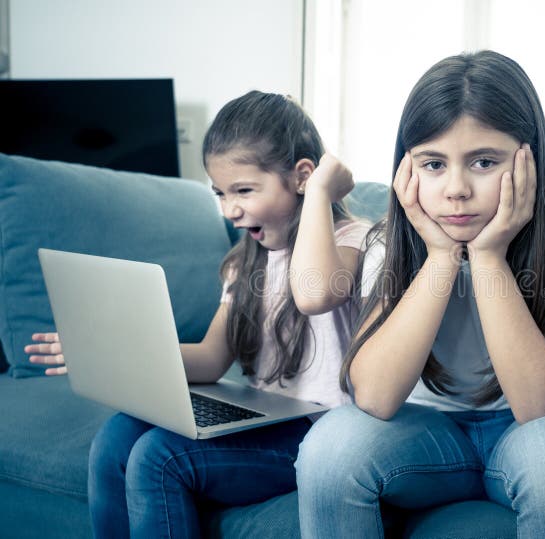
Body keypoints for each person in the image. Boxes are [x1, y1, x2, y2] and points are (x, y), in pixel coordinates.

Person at [25, 91, 371, 539]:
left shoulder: (353, 240)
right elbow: (210, 359)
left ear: (302, 176)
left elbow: (316, 291)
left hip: (321, 436)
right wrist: (109, 353)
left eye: (244, 191)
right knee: (115, 440)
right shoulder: (247, 261)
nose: (230, 210)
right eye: (220, 194)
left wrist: (322, 193)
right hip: (269, 419)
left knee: (158, 456)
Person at [294, 50, 545, 538]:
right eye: (434, 164)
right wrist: (441, 257)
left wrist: (489, 257)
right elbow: (375, 398)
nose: (456, 189)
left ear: (531, 160)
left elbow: (538, 408)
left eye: (484, 162)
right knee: (329, 450)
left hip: (524, 430)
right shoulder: (389, 242)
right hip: (426, 435)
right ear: (407, 168)